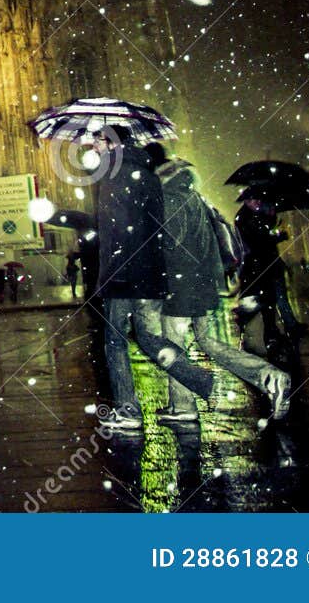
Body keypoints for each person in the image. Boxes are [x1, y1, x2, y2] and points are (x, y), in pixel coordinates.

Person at [147, 144, 291, 423]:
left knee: (171, 344)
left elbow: (172, 246)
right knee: (209, 343)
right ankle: (268, 376)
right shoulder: (192, 195)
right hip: (201, 284)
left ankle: (183, 406)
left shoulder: (169, 198)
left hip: (180, 286)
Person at [91, 132, 216, 430]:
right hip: (149, 272)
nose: (92, 146)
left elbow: (113, 232)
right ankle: (198, 379)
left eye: (97, 140)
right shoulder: (148, 174)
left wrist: (107, 273)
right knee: (147, 337)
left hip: (122, 274)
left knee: (115, 341)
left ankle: (129, 411)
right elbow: (154, 225)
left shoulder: (112, 174)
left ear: (112, 144)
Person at [234, 192, 303, 353]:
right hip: (258, 266)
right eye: (253, 200)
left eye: (258, 199)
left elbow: (263, 237)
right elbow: (259, 241)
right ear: (247, 201)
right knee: (263, 300)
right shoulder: (245, 218)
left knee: (268, 300)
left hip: (265, 265)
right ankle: (263, 330)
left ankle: (271, 333)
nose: (257, 202)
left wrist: (271, 220)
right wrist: (277, 236)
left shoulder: (254, 215)